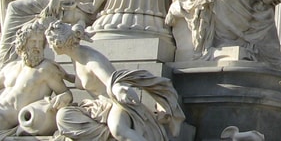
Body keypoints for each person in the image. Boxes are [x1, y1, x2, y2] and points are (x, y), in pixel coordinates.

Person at [46, 21, 183, 141]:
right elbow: (83, 79)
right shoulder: (75, 57)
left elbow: (111, 80)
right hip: (97, 107)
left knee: (118, 129)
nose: (50, 47)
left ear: (59, 44)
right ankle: (105, 135)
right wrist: (65, 76)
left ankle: (111, 135)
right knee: (63, 116)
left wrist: (119, 89)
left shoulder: (91, 60)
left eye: (50, 44)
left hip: (114, 103)